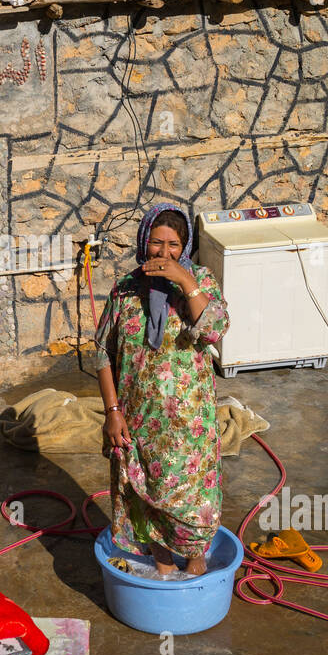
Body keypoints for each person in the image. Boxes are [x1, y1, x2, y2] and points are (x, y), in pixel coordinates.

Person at [92, 204, 230, 576]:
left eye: (174, 244)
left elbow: (215, 328)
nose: (164, 252)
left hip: (190, 427)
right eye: (156, 243)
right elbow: (103, 352)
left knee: (193, 505)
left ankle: (197, 568)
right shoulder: (124, 290)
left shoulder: (199, 281)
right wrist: (112, 412)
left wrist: (184, 281)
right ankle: (163, 570)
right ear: (143, 242)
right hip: (139, 422)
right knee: (148, 497)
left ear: (184, 247)